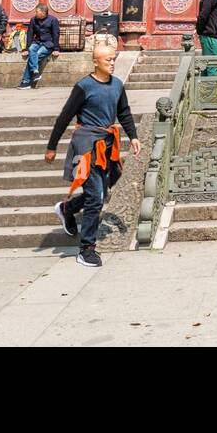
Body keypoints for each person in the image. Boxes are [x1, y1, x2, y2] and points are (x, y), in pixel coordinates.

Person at [46, 40, 140, 268]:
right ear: (95, 62)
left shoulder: (117, 85)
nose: (112, 63)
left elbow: (124, 112)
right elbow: (64, 116)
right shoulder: (84, 86)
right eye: (108, 60)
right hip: (87, 144)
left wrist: (134, 136)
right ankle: (86, 249)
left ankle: (67, 208)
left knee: (110, 181)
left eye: (114, 59)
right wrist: (51, 146)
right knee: (96, 196)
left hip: (107, 144)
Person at [20, 3, 60, 88]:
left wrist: (56, 49)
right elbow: (30, 34)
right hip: (37, 42)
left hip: (48, 44)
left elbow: (56, 35)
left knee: (36, 55)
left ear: (43, 12)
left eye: (37, 12)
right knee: (31, 50)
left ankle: (25, 81)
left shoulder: (53, 20)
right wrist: (26, 49)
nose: (35, 13)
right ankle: (35, 72)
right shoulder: (33, 20)